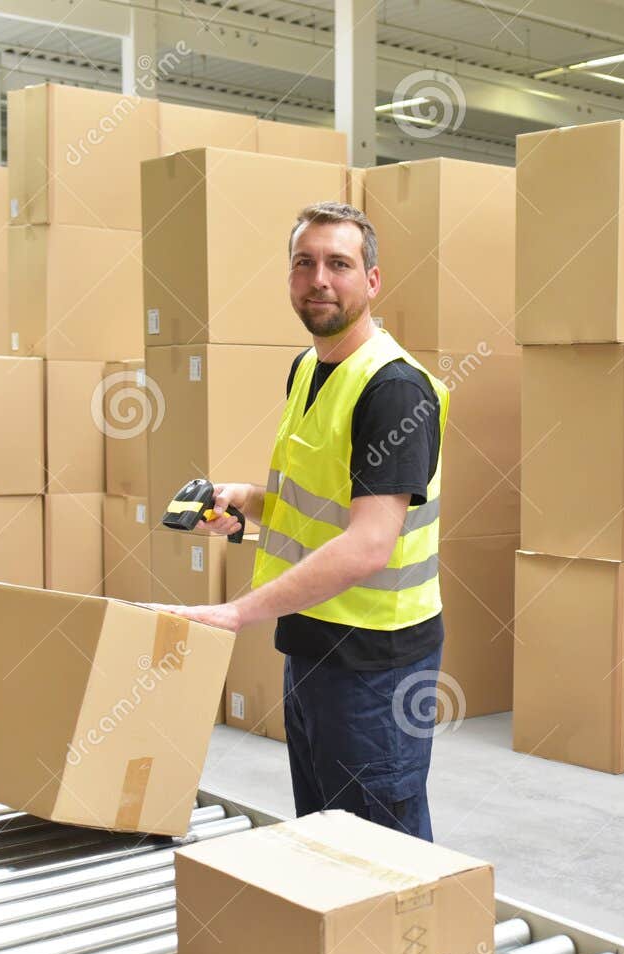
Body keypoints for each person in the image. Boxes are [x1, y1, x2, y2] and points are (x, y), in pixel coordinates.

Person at [152, 202, 449, 840]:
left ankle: (411, 942)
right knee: (323, 832)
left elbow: (371, 543)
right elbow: (316, 500)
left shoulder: (394, 389)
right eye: (304, 263)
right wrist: (243, 499)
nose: (319, 279)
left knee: (380, 842)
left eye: (339, 264)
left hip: (377, 659)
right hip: (311, 642)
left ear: (372, 281)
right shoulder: (307, 368)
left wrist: (237, 612)